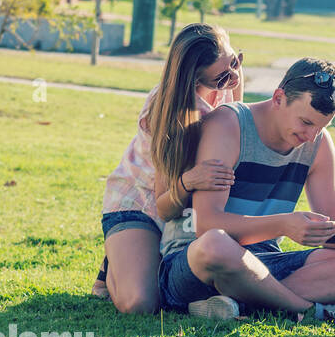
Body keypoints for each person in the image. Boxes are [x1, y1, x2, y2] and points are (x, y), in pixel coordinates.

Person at [157, 56, 335, 331]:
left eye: (322, 127)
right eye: (306, 122)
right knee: (217, 244)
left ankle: (234, 305)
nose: (312, 135)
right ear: (279, 97)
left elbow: (332, 231)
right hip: (195, 263)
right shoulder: (229, 125)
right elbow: (206, 226)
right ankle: (309, 312)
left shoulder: (318, 145)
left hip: (264, 263)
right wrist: (283, 225)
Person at [95, 23, 243, 315]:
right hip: (141, 203)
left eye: (235, 62)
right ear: (193, 77)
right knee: (140, 304)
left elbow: (238, 122)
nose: (233, 78)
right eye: (222, 77)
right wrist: (189, 180)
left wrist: (234, 76)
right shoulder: (172, 110)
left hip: (187, 213)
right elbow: (164, 206)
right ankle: (114, 262)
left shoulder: (228, 80)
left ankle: (139, 259)